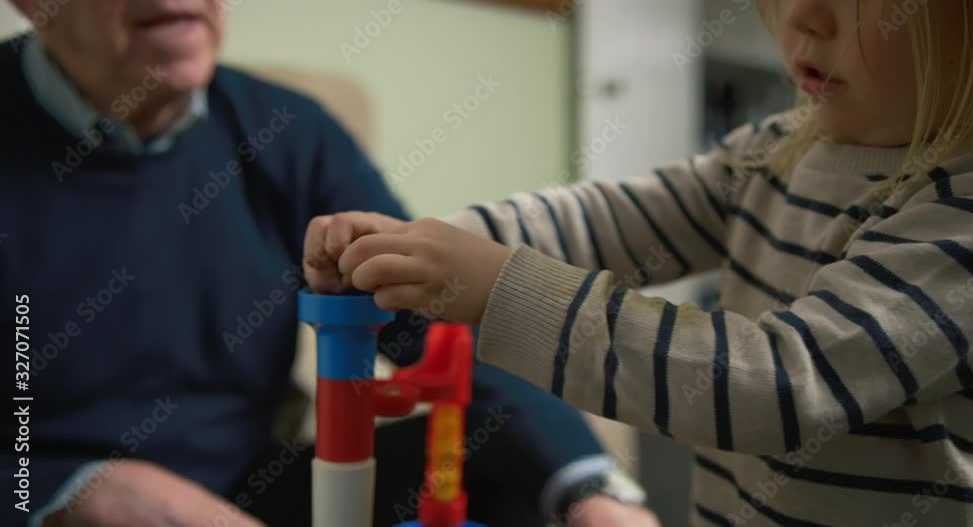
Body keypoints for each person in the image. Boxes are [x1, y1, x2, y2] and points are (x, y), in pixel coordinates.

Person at [304, 1, 973, 525]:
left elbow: (785, 383)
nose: (803, 18)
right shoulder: (782, 145)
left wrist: (505, 289)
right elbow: (618, 219)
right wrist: (429, 242)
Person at [0, 1, 661, 526]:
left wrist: (591, 487)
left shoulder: (287, 129)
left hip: (247, 491)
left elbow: (441, 322)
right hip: (39, 497)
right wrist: (69, 492)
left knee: (492, 454)